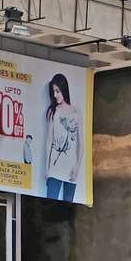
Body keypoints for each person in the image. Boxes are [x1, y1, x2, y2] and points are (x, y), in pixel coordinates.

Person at [44, 72, 82, 202]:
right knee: (50, 204)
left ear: (64, 89)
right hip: (55, 167)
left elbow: (81, 143)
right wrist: (47, 168)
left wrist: (77, 167)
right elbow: (49, 141)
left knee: (68, 207)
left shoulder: (76, 112)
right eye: (53, 92)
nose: (55, 95)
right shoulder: (53, 112)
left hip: (71, 167)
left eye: (57, 91)